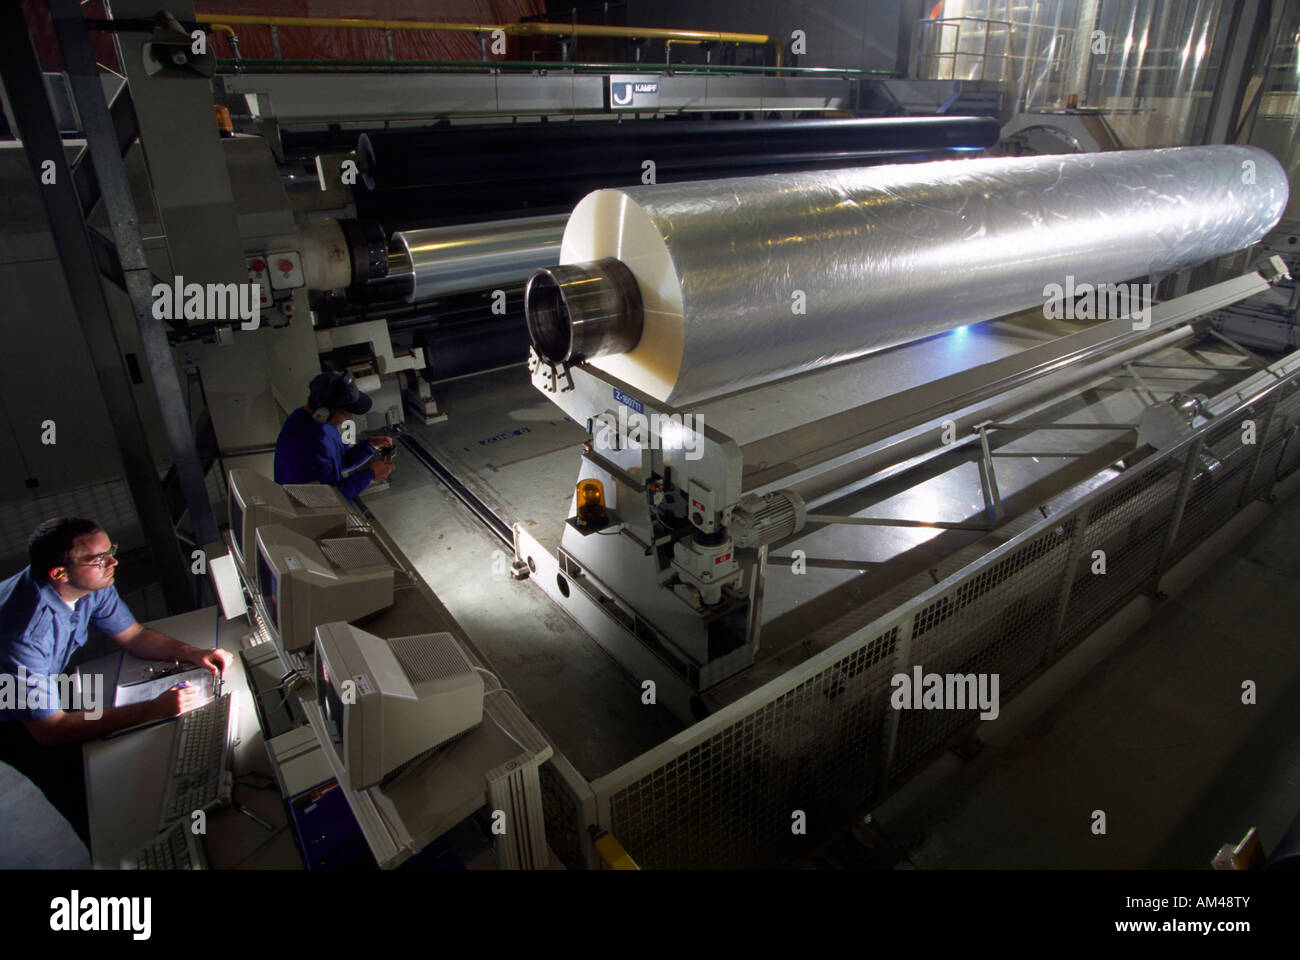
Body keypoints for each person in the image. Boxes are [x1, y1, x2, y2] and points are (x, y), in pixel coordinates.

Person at [0, 517, 233, 845]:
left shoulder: (90, 583)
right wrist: (154, 708)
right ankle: (111, 852)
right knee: (77, 787)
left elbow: (134, 636)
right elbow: (49, 730)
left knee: (100, 737)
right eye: (99, 559)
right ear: (59, 574)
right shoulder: (23, 636)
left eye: (111, 551)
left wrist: (194, 653)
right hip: (8, 712)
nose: (114, 562)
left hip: (40, 677)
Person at [274, 370, 396, 500]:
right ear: (325, 411)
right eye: (345, 413)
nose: (351, 418)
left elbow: (341, 461)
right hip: (308, 509)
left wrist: (370, 446)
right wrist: (370, 474)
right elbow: (331, 498)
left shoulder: (320, 421)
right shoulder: (310, 442)